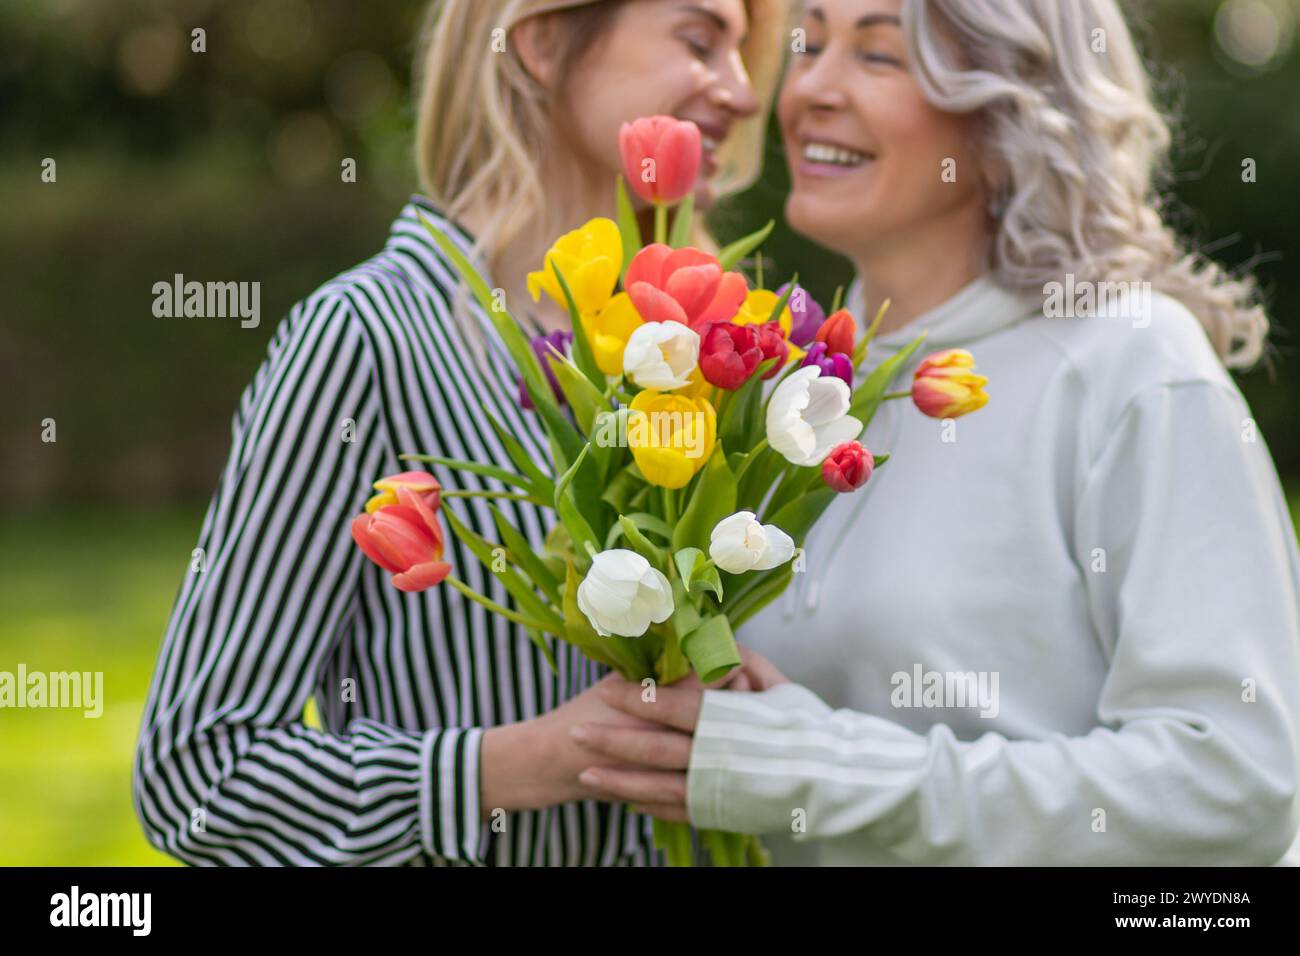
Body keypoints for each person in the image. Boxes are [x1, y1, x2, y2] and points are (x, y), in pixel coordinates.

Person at [573, 0, 1300, 866]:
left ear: (1007, 114)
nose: (810, 90)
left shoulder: (1133, 366)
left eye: (879, 57)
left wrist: (813, 770)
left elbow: (1235, 782)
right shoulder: (771, 381)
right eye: (811, 45)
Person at [133, 0, 786, 866]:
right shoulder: (365, 339)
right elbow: (196, 776)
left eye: (745, 54)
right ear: (546, 42)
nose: (744, 93)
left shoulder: (685, 362)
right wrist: (519, 763)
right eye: (701, 41)